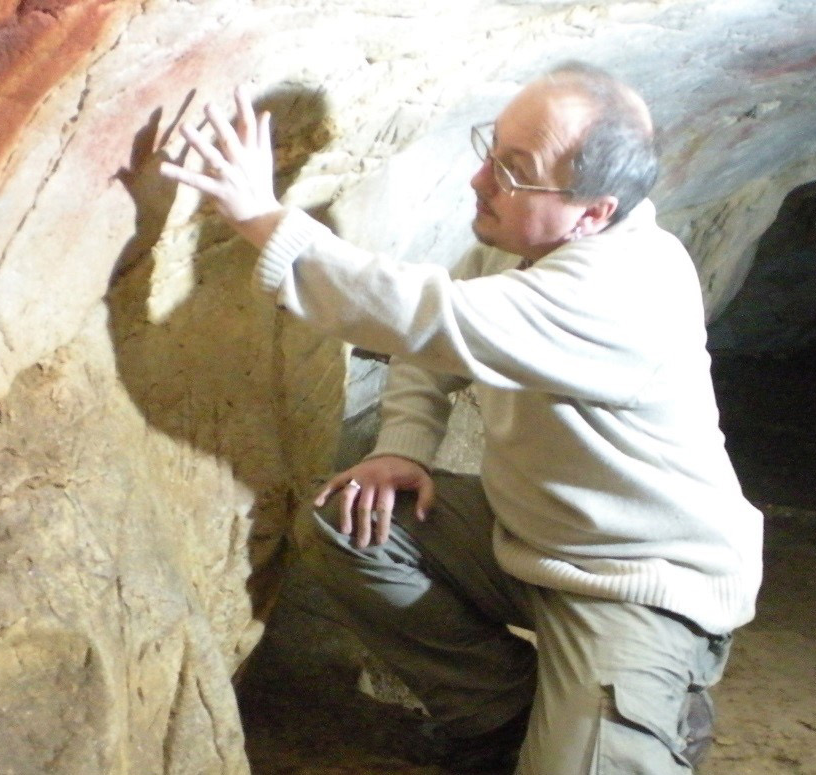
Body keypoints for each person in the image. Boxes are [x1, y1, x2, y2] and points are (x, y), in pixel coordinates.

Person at [162, 62, 763, 775]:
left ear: (593, 212)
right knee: (349, 524)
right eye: (491, 151)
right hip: (533, 537)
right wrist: (404, 447)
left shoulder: (619, 292)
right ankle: (503, 719)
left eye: (514, 171)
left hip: (638, 584)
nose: (480, 181)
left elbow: (424, 314)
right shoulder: (522, 249)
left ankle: (653, 708)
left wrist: (261, 217)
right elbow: (432, 349)